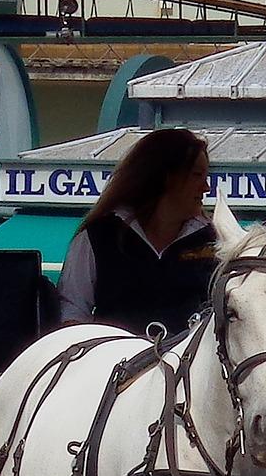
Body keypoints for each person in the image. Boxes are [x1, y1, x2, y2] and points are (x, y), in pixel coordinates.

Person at [56, 127, 215, 335]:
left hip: (188, 366)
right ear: (167, 177)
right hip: (115, 363)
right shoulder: (98, 236)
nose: (206, 187)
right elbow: (72, 311)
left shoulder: (213, 240)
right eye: (197, 175)